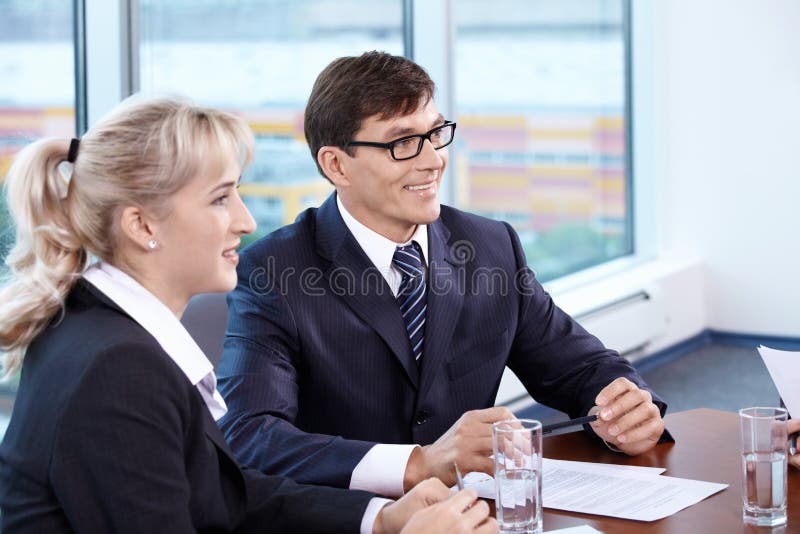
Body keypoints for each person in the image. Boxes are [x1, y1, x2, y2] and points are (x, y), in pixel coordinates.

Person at [0, 96, 496, 533]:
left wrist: (380, 520)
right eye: (220, 198)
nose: (246, 220)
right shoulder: (117, 371)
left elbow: (224, 497)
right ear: (141, 224)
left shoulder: (105, 336)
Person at [217, 51, 671, 497]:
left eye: (436, 134)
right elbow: (250, 433)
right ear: (336, 165)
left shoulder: (492, 247)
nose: (433, 160)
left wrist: (624, 410)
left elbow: (582, 366)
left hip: (474, 516)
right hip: (351, 519)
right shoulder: (274, 271)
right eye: (402, 143)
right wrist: (417, 463)